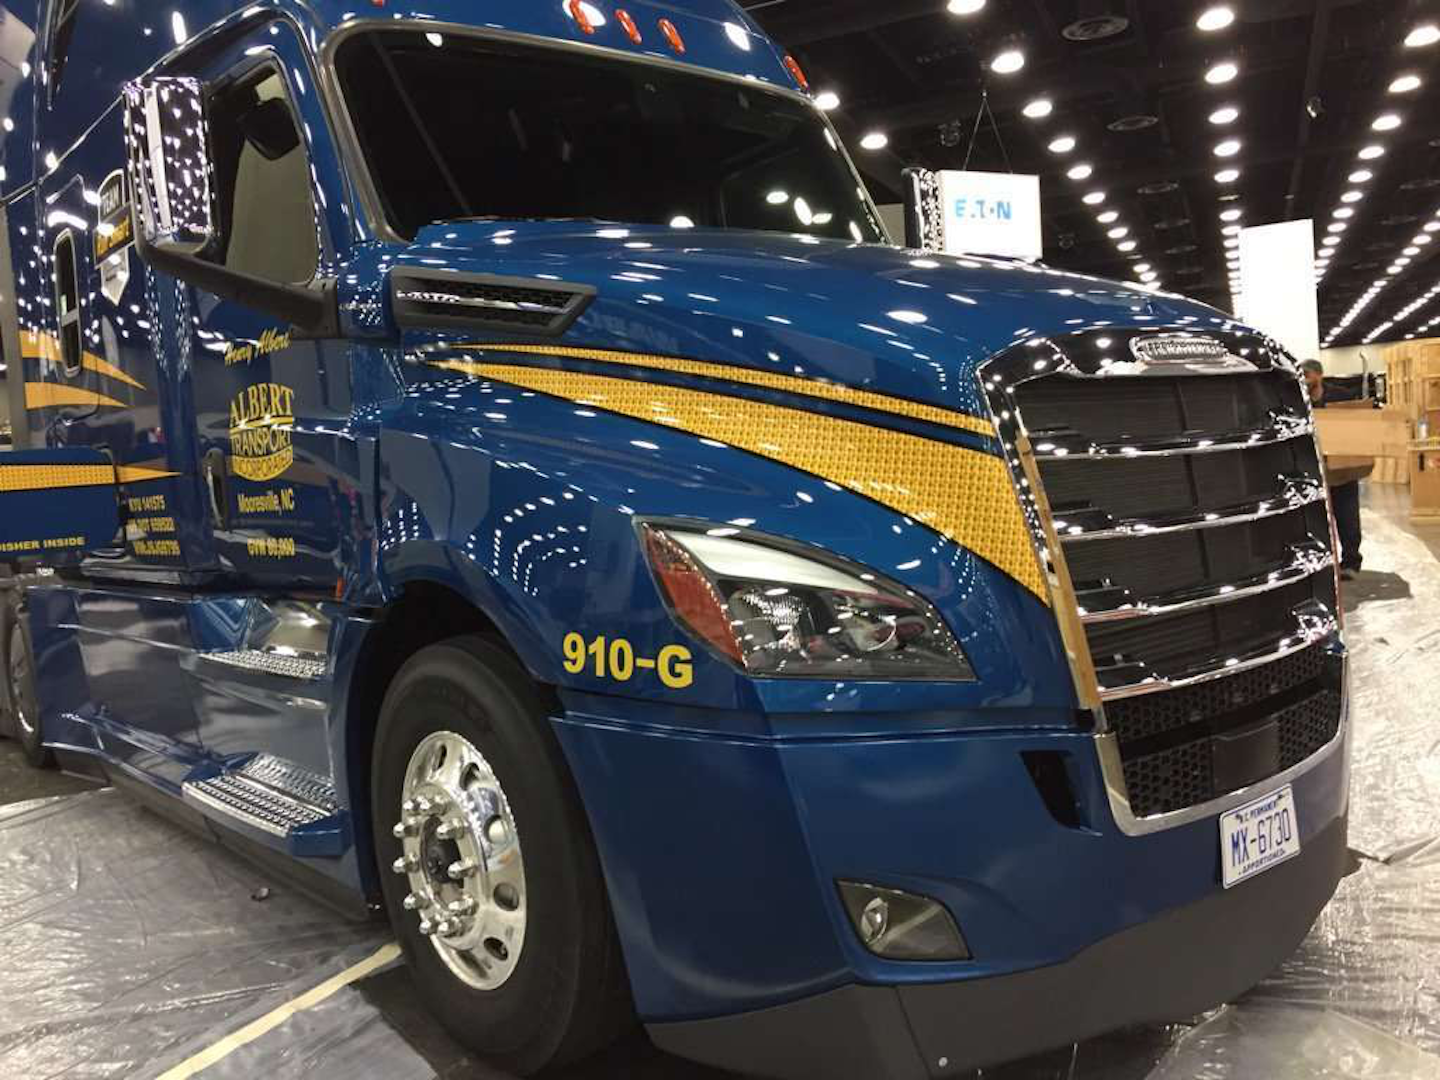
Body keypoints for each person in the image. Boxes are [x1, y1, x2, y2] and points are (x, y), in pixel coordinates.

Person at [1300, 359, 1362, 579]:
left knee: (1348, 519)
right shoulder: (1298, 400)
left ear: (1319, 375)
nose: (1304, 378)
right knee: (1317, 521)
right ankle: (1323, 563)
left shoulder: (1340, 396)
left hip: (1341, 468)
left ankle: (1351, 563)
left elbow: (1357, 423)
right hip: (1314, 470)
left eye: (1307, 374)